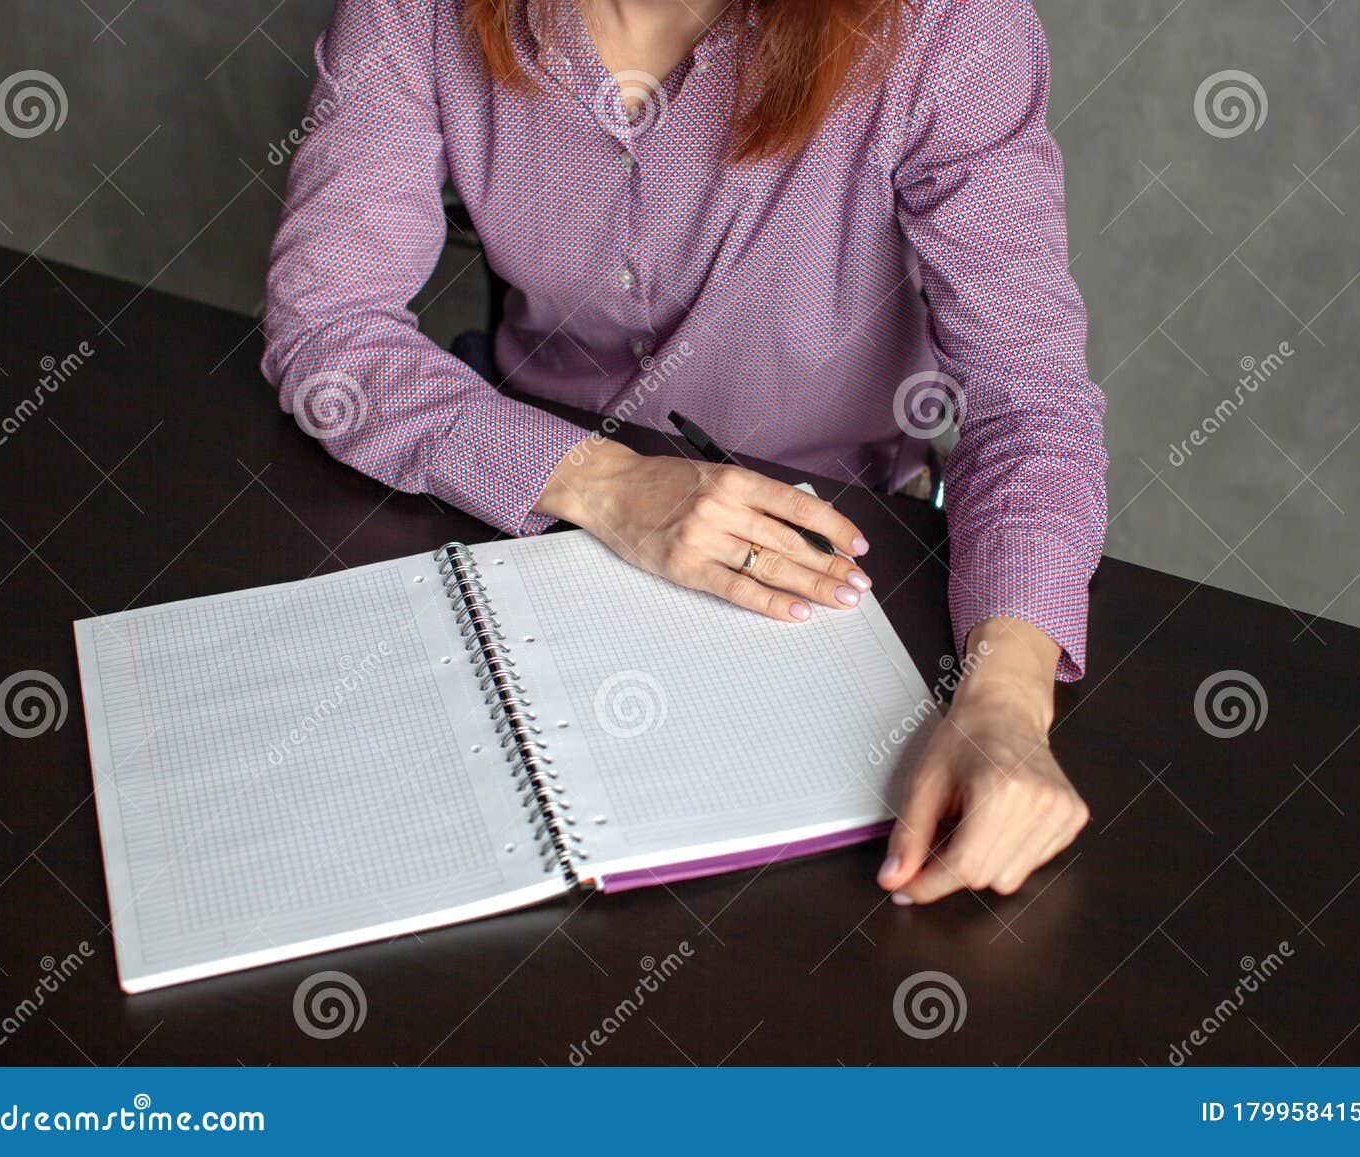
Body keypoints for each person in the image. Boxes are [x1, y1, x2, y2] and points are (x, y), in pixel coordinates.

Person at [262, 0, 1108, 904]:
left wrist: (1006, 701)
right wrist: (608, 483)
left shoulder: (949, 24)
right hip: (529, 499)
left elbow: (1029, 397)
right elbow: (329, 327)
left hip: (832, 544)